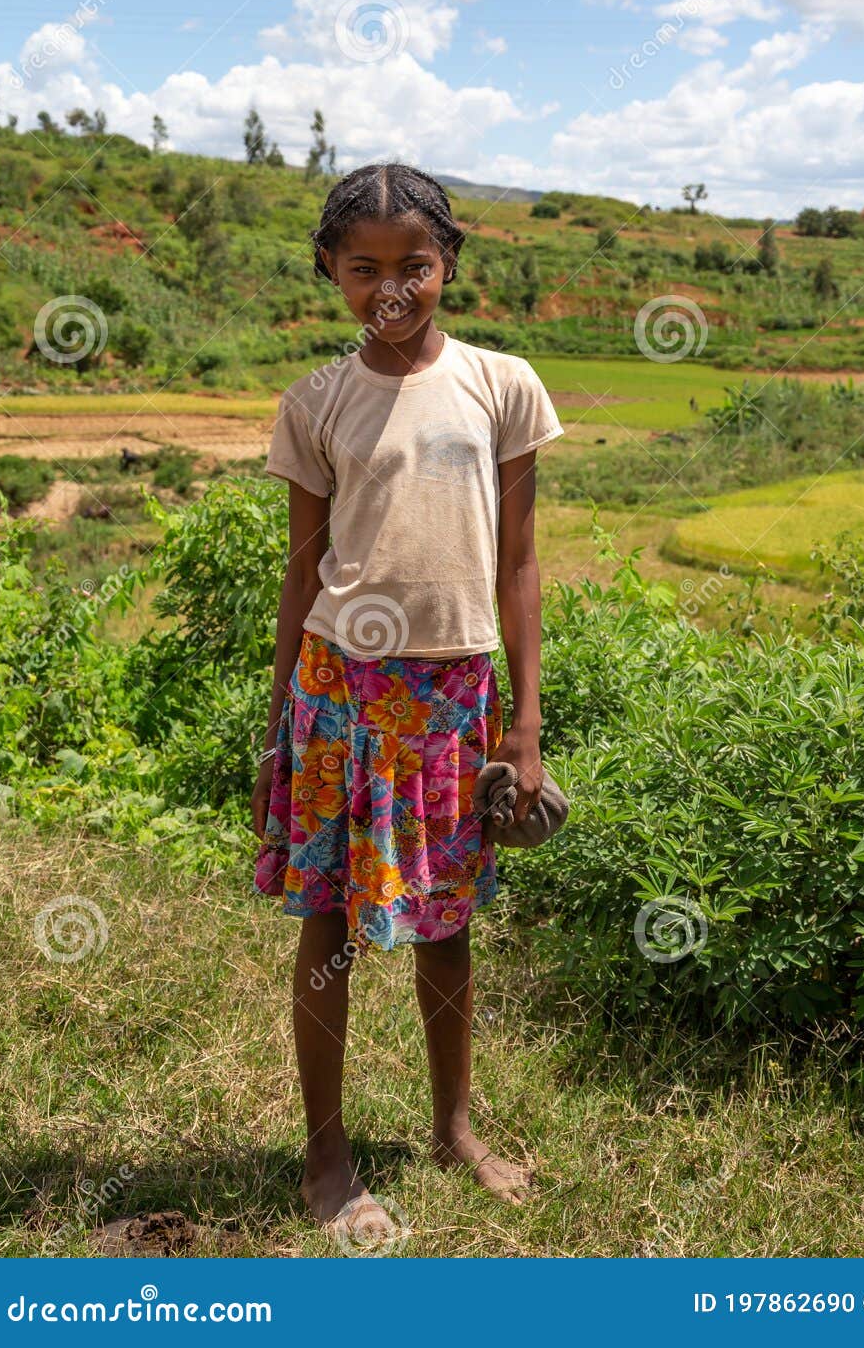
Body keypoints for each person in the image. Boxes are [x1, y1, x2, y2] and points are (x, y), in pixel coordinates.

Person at [251, 161, 564, 1246]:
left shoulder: (502, 385)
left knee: (447, 927)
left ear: (448, 265)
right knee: (327, 921)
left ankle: (452, 1128)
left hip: (452, 699)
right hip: (337, 694)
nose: (391, 288)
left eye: (414, 265)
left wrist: (521, 723)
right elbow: (302, 571)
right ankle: (327, 1154)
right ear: (329, 271)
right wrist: (275, 729)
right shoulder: (318, 400)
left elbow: (518, 563)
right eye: (364, 267)